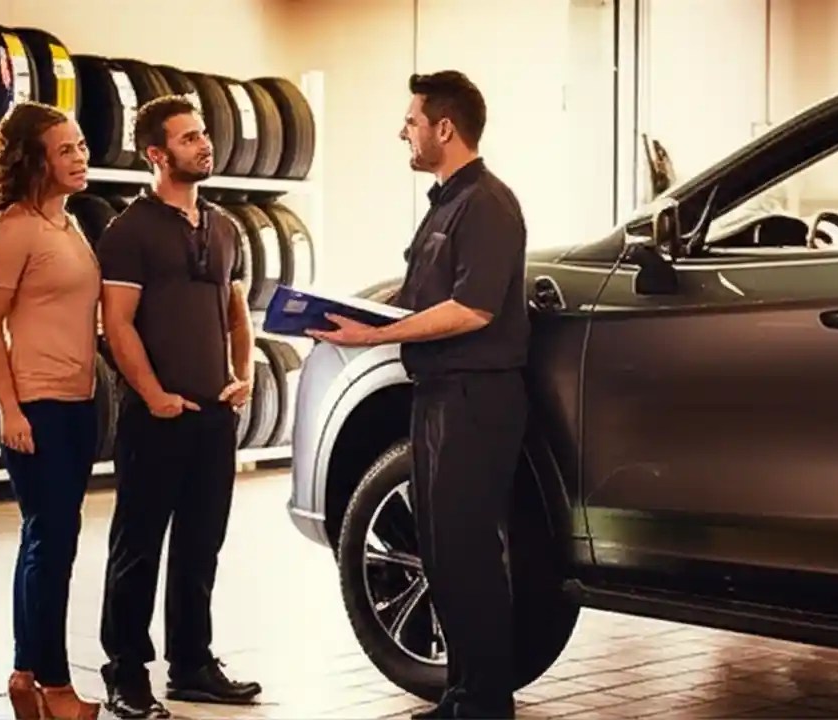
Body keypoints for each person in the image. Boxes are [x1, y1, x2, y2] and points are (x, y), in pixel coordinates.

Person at [309, 70, 529, 720]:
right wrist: (353, 312)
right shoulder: (444, 203)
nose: (401, 131)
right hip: (437, 396)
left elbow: (474, 310)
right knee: (440, 552)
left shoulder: (488, 203)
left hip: (477, 398)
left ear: (444, 127)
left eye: (410, 121)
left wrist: (381, 334)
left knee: (467, 552)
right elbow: (422, 297)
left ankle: (488, 703)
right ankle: (461, 694)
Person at [94, 95, 260, 719]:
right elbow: (116, 324)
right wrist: (153, 393)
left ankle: (191, 663)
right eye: (189, 138)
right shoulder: (129, 231)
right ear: (157, 153)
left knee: (201, 544)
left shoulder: (223, 225)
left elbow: (237, 312)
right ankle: (126, 673)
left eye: (204, 134)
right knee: (138, 547)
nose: (204, 144)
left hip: (214, 418)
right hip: (155, 418)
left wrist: (241, 374)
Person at [0, 101, 101, 720]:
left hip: (78, 403)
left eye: (80, 145)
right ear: (36, 160)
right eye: (67, 149)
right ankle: (56, 686)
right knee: (54, 544)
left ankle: (26, 677)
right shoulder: (14, 227)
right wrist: (9, 409)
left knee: (46, 541)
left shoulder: (69, 224)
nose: (81, 157)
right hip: (37, 405)